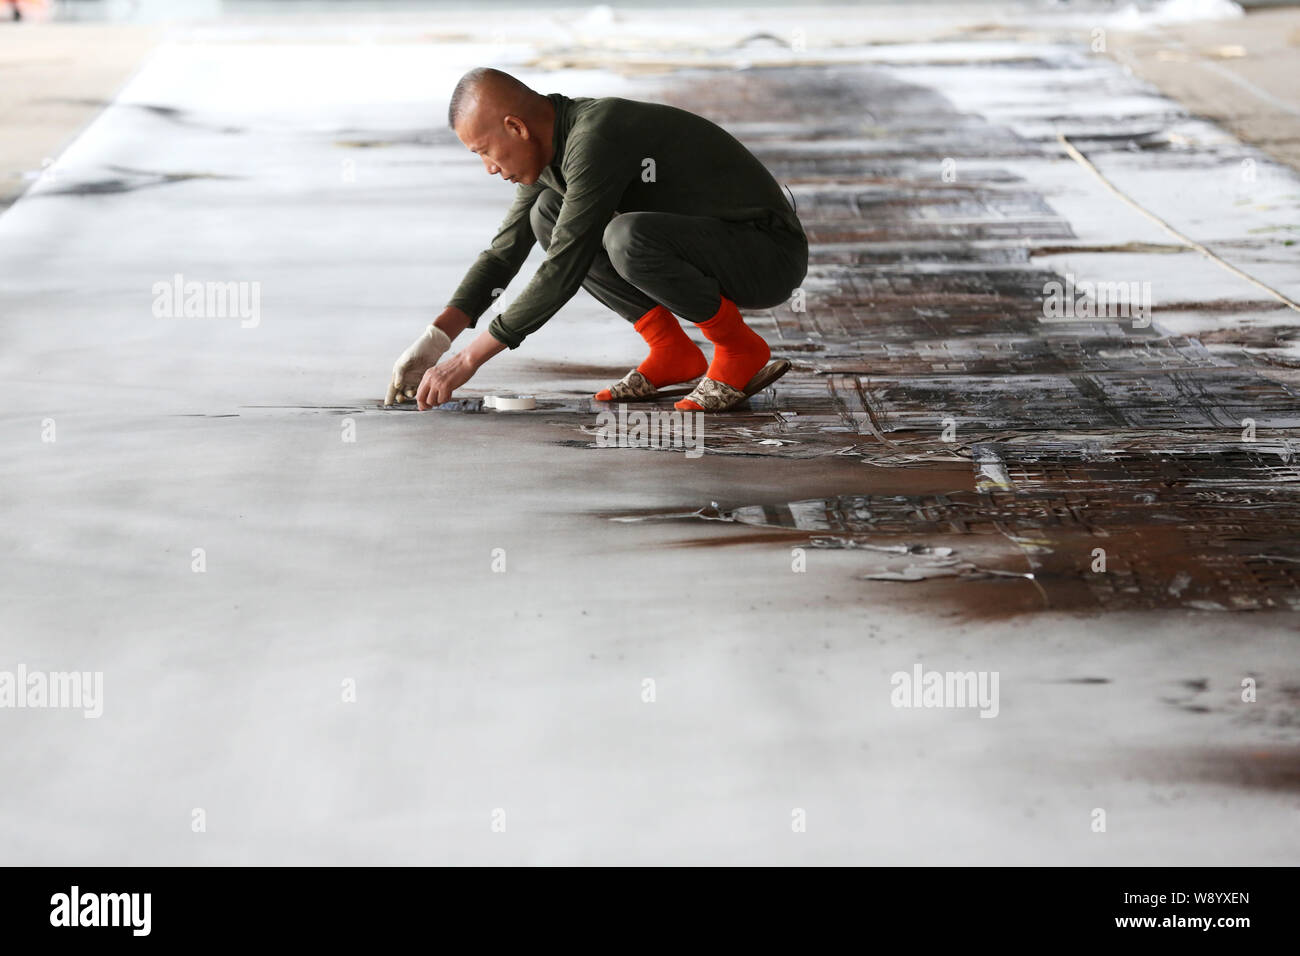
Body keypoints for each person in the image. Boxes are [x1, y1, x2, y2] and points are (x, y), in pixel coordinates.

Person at [385, 67, 807, 412]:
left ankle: (737, 347)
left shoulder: (595, 137)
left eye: (484, 151)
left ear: (516, 127)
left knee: (627, 237)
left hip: (767, 253)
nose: (488, 168)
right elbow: (502, 255)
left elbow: (561, 270)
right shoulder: (551, 152)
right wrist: (435, 340)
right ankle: (671, 350)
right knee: (547, 213)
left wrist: (465, 362)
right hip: (719, 248)